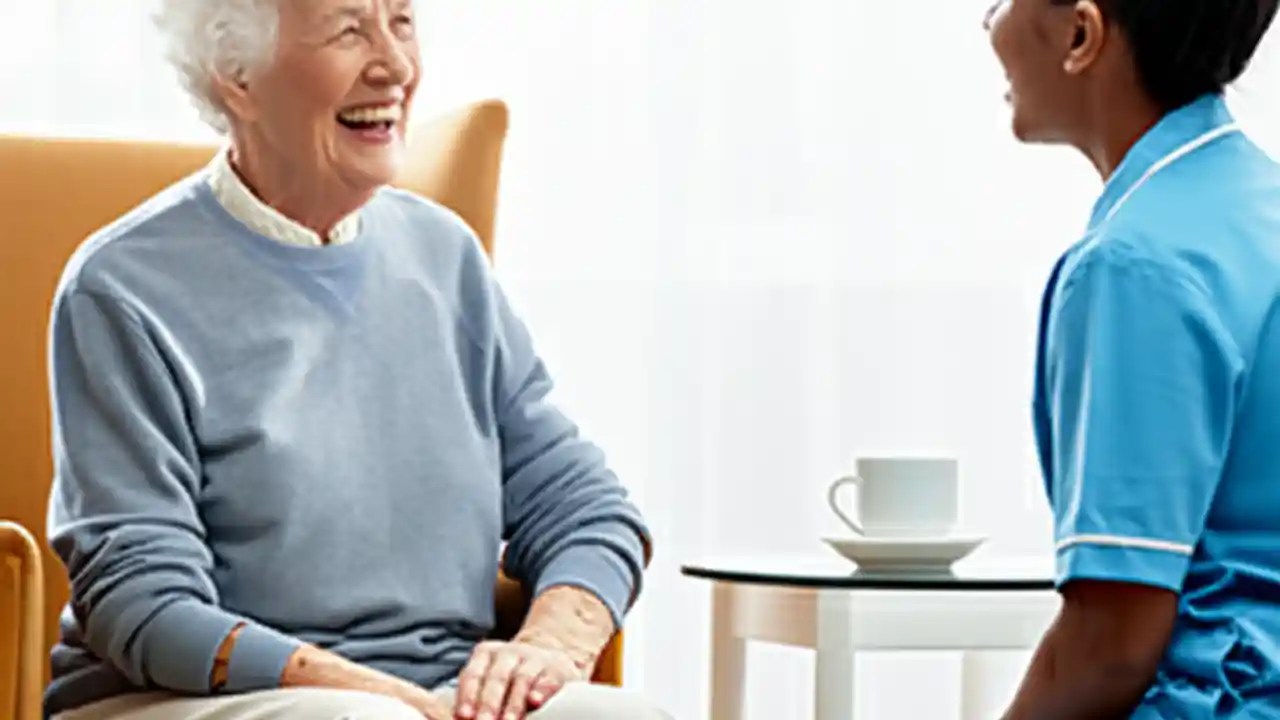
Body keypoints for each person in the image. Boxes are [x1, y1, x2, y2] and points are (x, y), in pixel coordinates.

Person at [43, 2, 667, 719]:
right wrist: (384, 697)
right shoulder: (123, 287)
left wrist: (548, 651)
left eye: (401, 22)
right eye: (349, 30)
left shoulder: (444, 256)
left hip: (428, 693)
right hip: (179, 698)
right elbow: (141, 606)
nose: (395, 66)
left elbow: (584, 507)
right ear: (235, 73)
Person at [984, 0, 1280, 717]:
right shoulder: (1258, 211)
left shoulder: (1134, 264)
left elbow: (1109, 646)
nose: (989, 21)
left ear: (1081, 34)